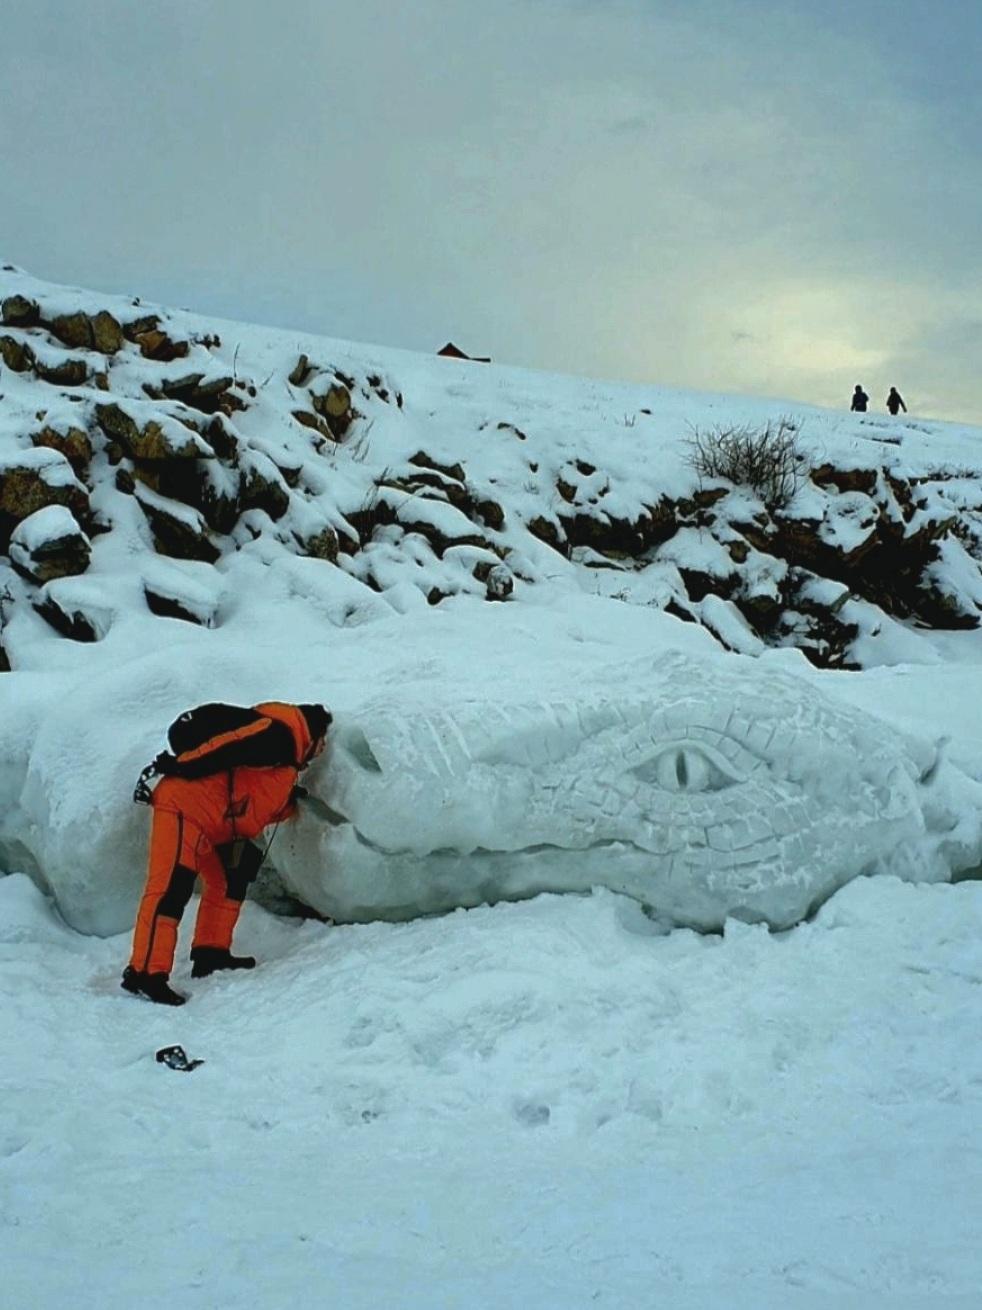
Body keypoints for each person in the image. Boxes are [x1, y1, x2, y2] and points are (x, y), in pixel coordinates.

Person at [122, 701, 331, 1005]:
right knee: (170, 888)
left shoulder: (284, 764)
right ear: (311, 735)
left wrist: (287, 804)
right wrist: (182, 766)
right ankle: (145, 973)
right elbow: (229, 747)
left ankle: (211, 953)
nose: (323, 749)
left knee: (234, 875)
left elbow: (252, 800)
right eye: (323, 741)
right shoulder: (278, 736)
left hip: (212, 822)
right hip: (184, 807)